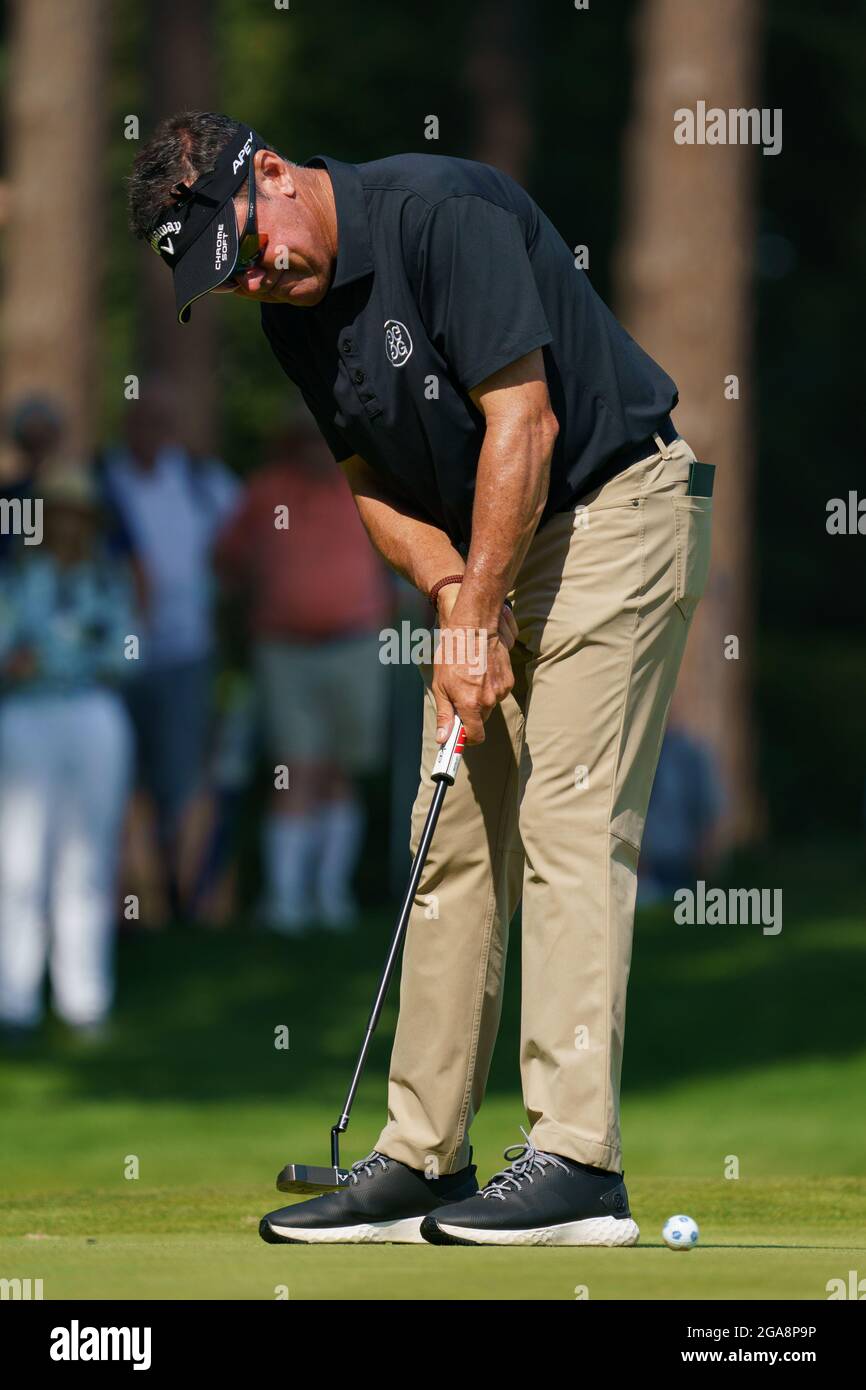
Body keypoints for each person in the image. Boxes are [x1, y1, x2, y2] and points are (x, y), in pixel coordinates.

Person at [128, 114, 714, 1246]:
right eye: (230, 280)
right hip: (488, 551)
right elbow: (371, 483)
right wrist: (452, 593)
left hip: (612, 509)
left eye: (250, 250)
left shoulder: (445, 213)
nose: (258, 278)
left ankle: (575, 1160)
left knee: (567, 817)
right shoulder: (293, 319)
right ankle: (421, 1157)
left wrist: (473, 610)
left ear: (275, 175)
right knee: (444, 837)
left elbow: (523, 424)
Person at [214, 417, 391, 933]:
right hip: (284, 649)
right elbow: (227, 562)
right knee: (293, 770)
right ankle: (286, 901)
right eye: (305, 437)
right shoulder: (265, 491)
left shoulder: (365, 482)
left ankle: (330, 897)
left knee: (341, 771)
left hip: (355, 645)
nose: (315, 447)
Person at [0, 465, 135, 1041]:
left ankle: (84, 999)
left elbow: (131, 653)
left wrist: (72, 654)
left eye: (76, 517)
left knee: (87, 855)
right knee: (20, 858)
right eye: (56, 517)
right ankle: (15, 1000)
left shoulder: (106, 579)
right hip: (27, 711)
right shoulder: (14, 581)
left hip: (90, 708)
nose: (66, 528)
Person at [99, 378, 241, 921]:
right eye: (140, 419)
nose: (149, 431)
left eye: (160, 421)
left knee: (183, 780)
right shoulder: (102, 479)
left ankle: (189, 903)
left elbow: (247, 542)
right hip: (115, 659)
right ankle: (137, 907)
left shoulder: (203, 482)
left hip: (188, 652)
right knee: (124, 782)